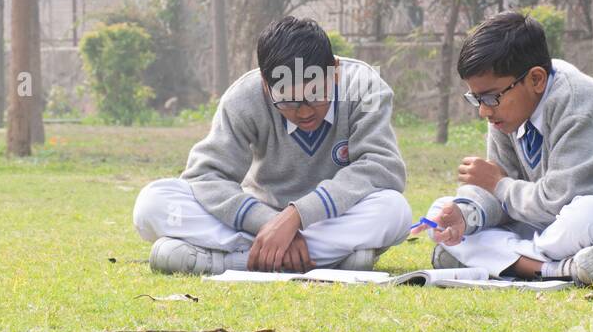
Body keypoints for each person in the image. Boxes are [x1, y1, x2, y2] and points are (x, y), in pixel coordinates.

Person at [134, 16, 411, 275]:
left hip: (332, 217)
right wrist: (269, 223)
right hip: (257, 220)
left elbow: (382, 167)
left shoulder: (366, 87)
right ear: (266, 85)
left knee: (394, 209)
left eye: (316, 95)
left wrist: (296, 217)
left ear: (335, 72)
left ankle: (228, 262)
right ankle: (330, 258)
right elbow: (205, 176)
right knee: (152, 203)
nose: (304, 112)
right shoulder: (243, 97)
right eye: (288, 102)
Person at [420, 11, 593, 287]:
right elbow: (504, 194)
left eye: (490, 97)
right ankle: (564, 268)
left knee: (584, 214)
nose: (484, 110)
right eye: (476, 98)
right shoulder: (506, 112)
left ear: (536, 79)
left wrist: (498, 185)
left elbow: (559, 202)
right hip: (552, 225)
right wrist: (467, 215)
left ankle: (500, 261)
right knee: (444, 212)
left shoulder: (579, 105)